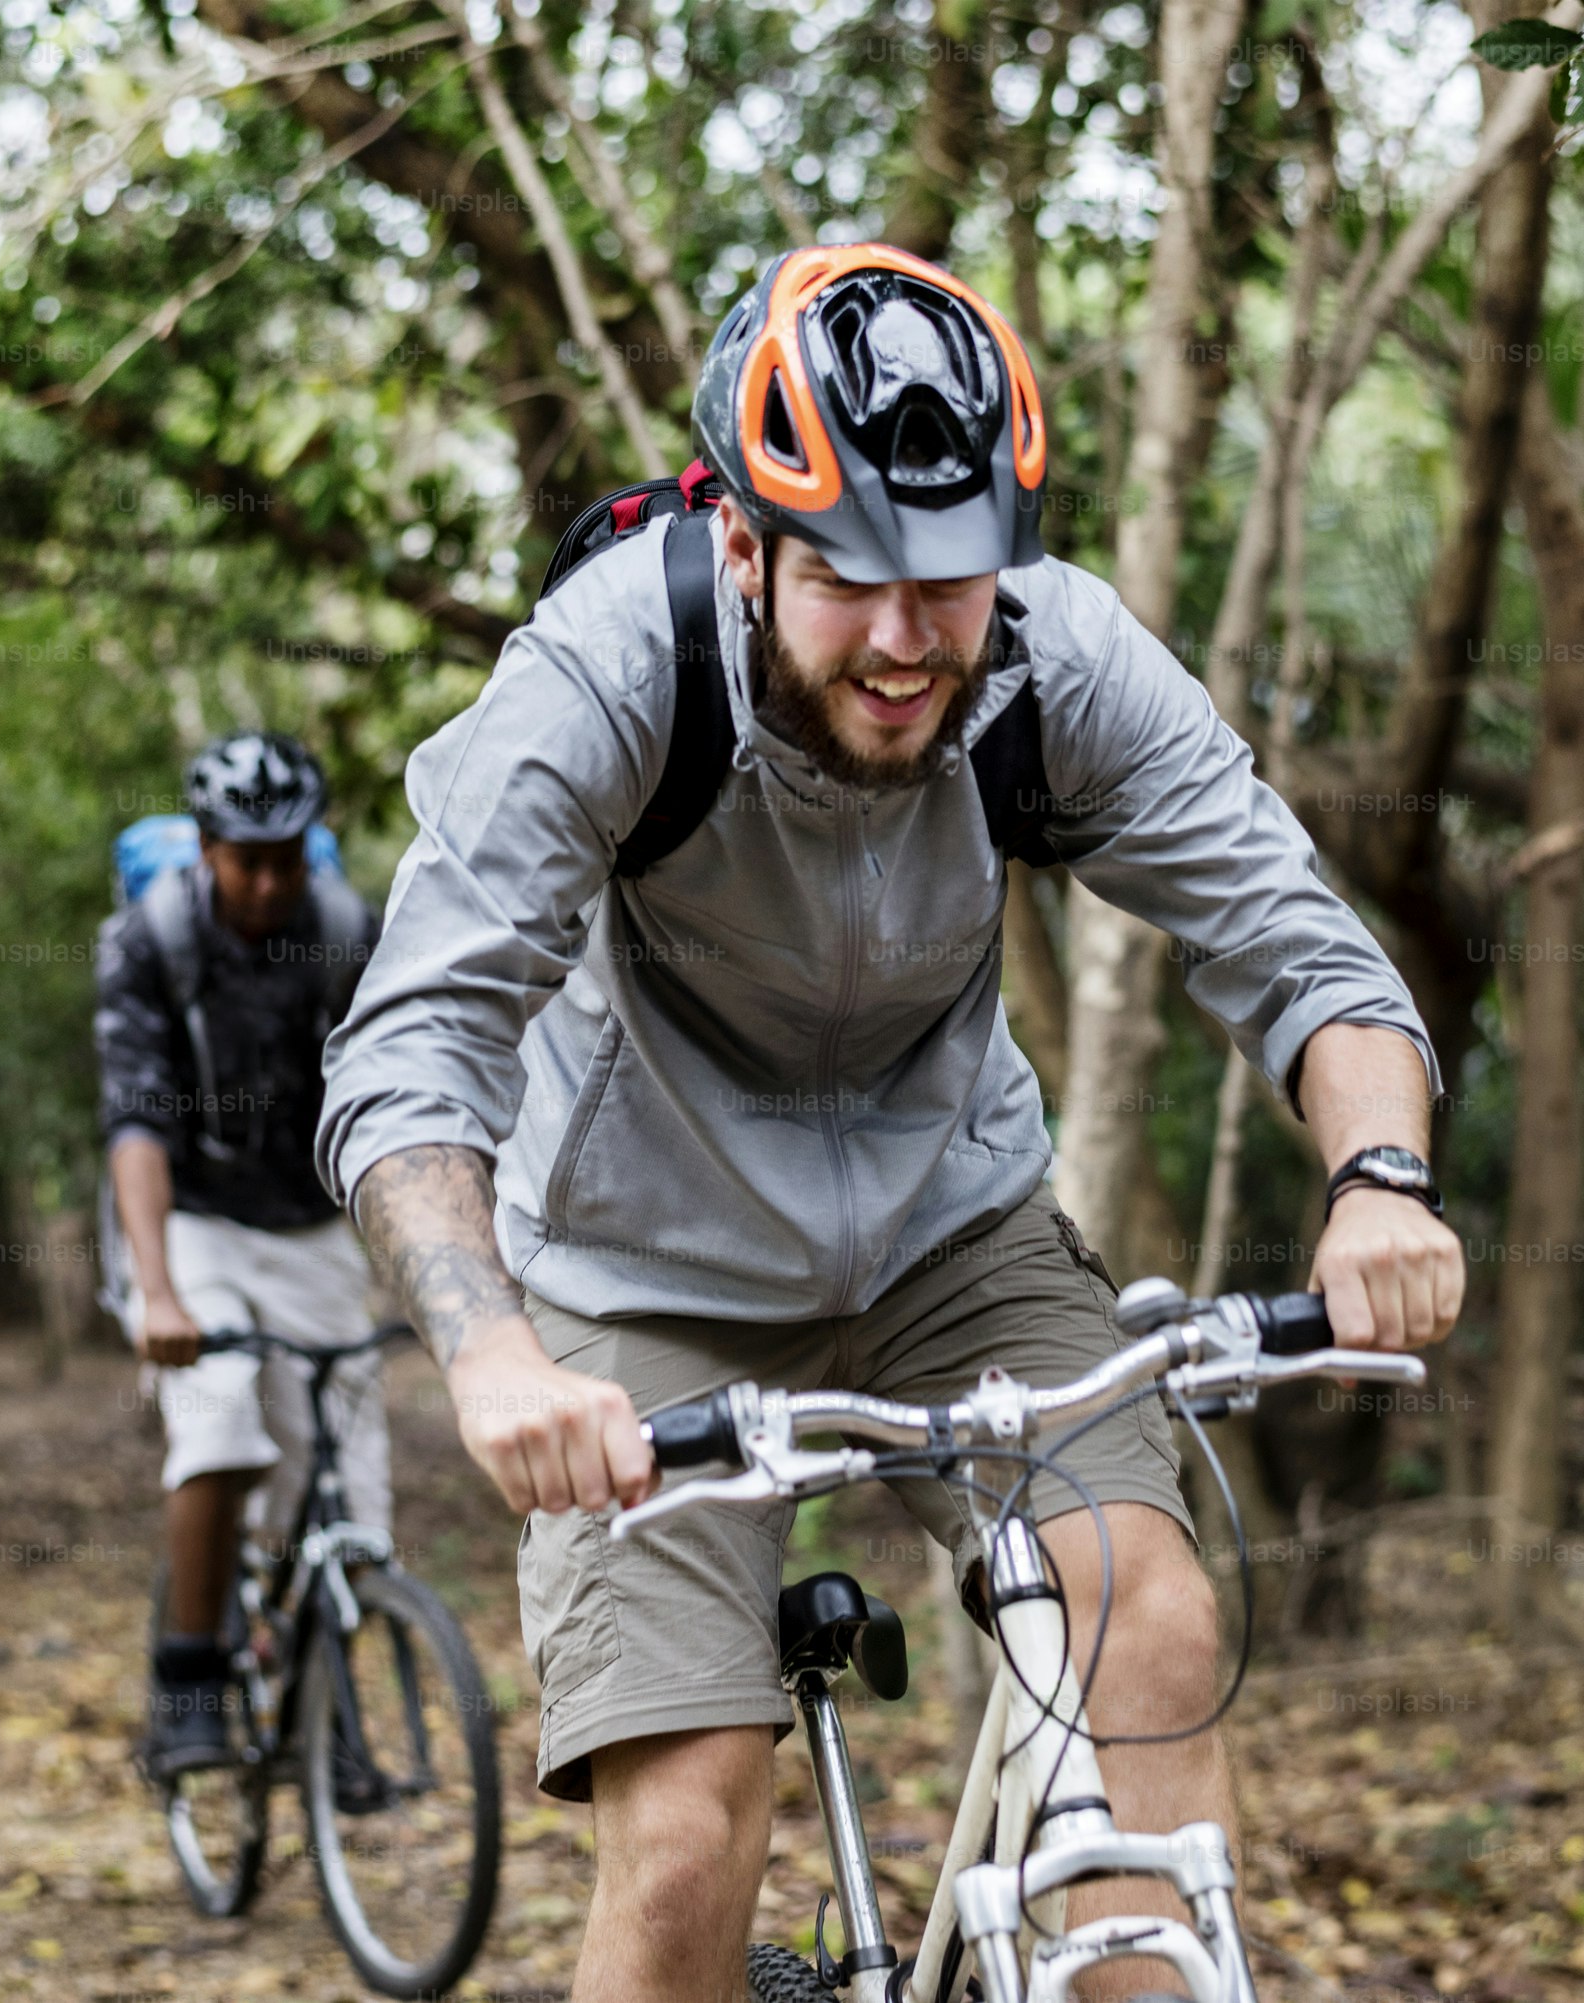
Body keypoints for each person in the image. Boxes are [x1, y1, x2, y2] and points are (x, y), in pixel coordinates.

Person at [317, 243, 1468, 2000]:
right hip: (640, 1268)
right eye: (853, 578)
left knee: (1144, 1620)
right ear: (743, 541)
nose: (912, 640)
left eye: (955, 581)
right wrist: (487, 1351)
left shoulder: (1048, 660)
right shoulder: (611, 671)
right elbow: (415, 1046)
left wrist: (1381, 1175)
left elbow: (1299, 937)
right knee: (695, 1822)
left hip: (950, 1236)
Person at [94, 731, 385, 1776]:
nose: (267, 880)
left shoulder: (349, 930)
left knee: (347, 1491)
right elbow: (135, 1123)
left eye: (286, 855)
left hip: (312, 1225)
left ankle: (326, 1702)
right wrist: (158, 1290)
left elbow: (398, 1091)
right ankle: (187, 1678)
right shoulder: (150, 940)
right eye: (244, 856)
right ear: (205, 849)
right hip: (195, 1219)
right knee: (218, 1430)